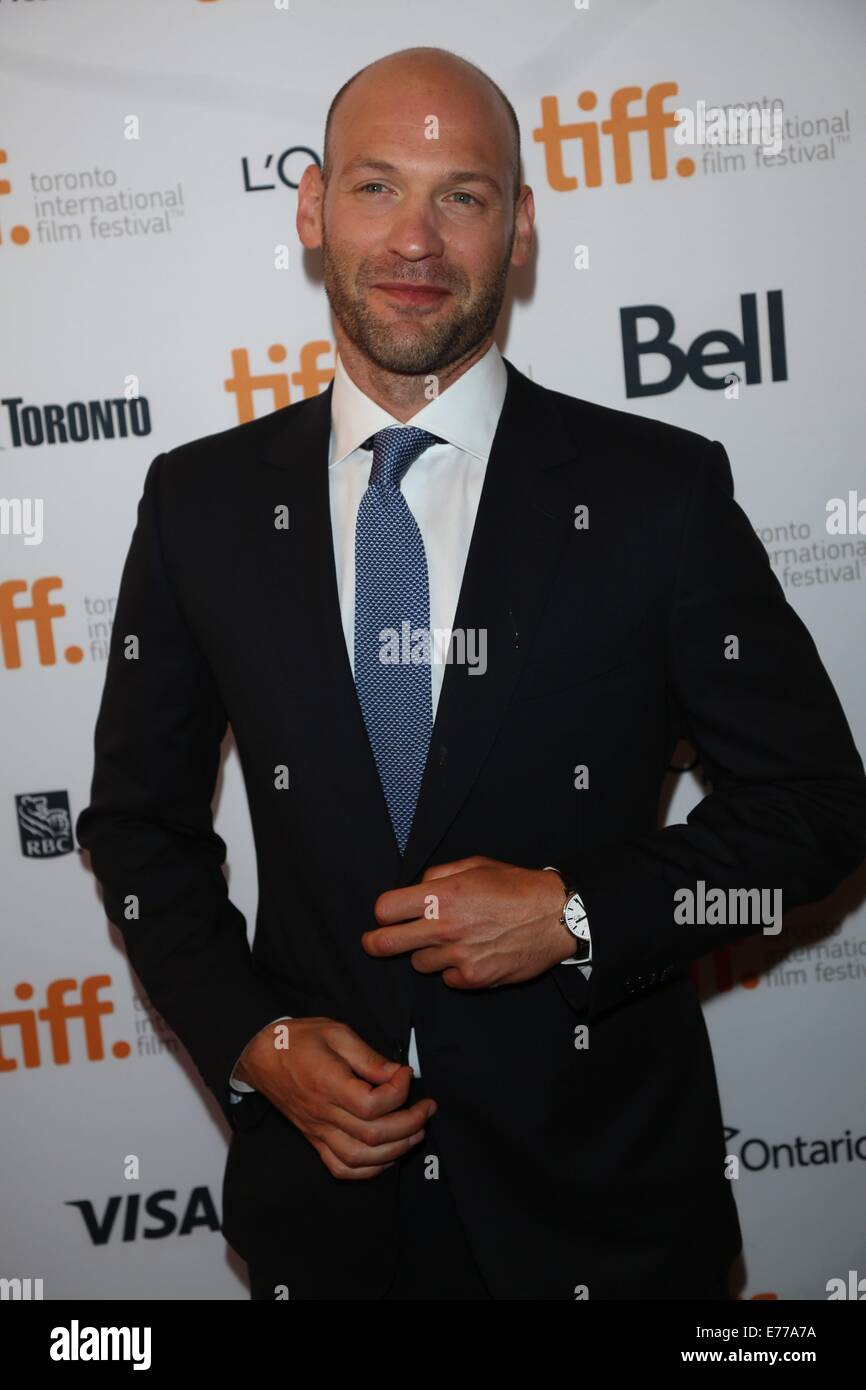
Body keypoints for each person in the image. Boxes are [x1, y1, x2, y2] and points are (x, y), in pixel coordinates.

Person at [76, 46, 866, 1301]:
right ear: (310, 209)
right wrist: (254, 1040)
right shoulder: (201, 505)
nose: (414, 240)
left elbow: (817, 809)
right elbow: (137, 826)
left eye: (463, 194)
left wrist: (575, 910)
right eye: (377, 186)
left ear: (521, 228)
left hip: (606, 1216)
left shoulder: (656, 494)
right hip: (325, 1224)